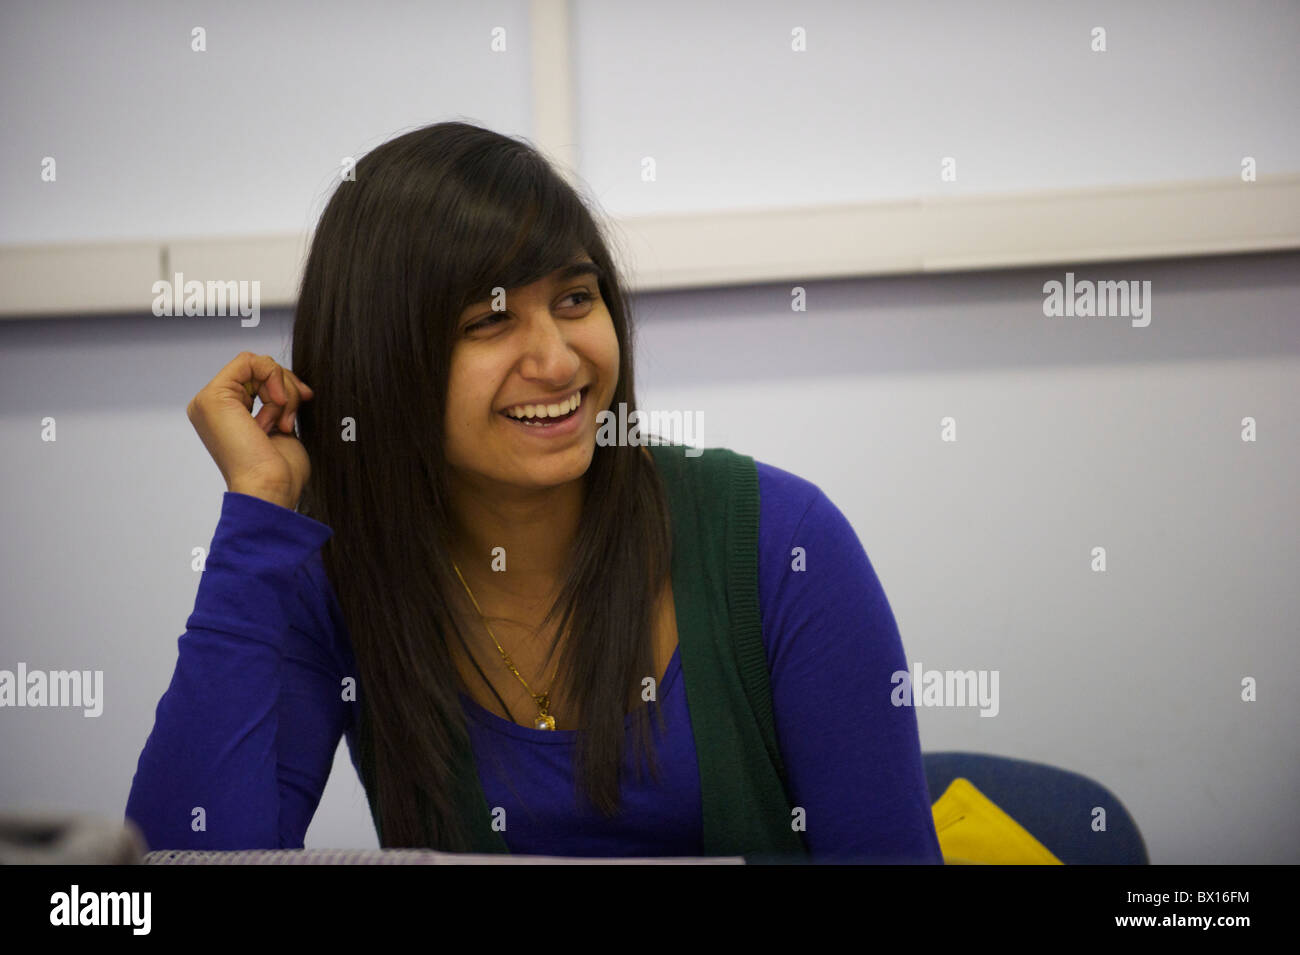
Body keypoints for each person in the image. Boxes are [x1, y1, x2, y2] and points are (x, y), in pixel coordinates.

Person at [124, 121, 941, 862]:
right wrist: (258, 516)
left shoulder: (783, 542)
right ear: (382, 360)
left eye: (575, 300)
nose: (557, 360)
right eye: (489, 321)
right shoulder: (333, 575)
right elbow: (168, 877)